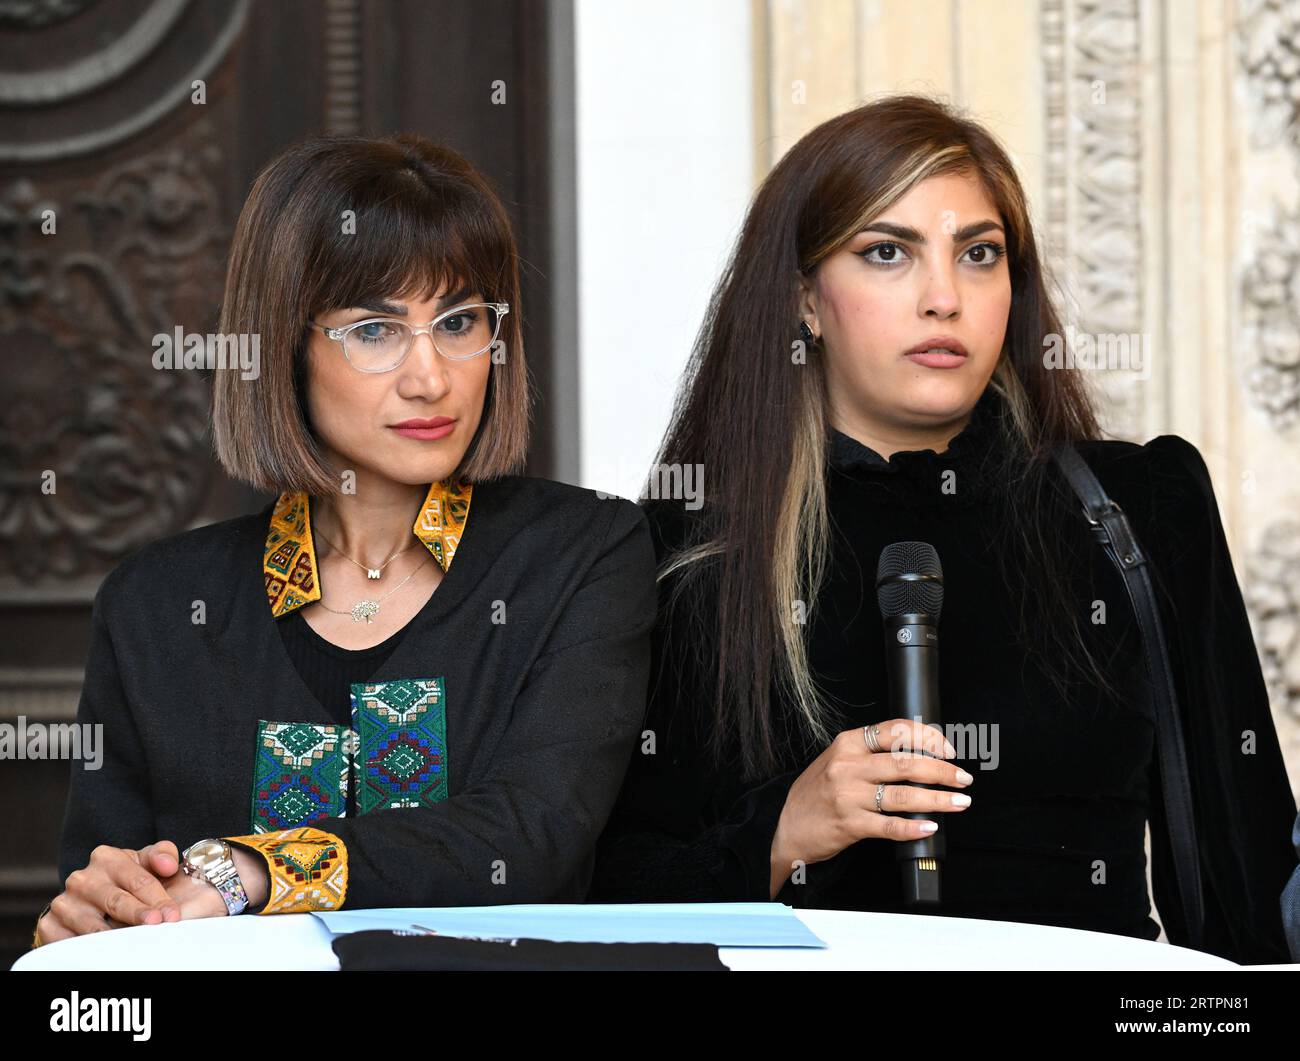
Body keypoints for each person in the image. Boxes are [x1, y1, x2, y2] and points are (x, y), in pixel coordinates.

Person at [589, 94, 1299, 965]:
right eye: (887, 253)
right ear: (805, 299)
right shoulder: (683, 550)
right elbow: (605, 902)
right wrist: (779, 833)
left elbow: (1248, 873)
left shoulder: (1141, 506)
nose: (943, 298)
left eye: (979, 254)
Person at [33, 133, 655, 947]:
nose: (431, 377)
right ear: (286, 347)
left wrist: (252, 869)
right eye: (375, 330)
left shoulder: (584, 551)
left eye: (461, 320)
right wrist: (96, 918)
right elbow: (115, 900)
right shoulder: (155, 605)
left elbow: (532, 835)